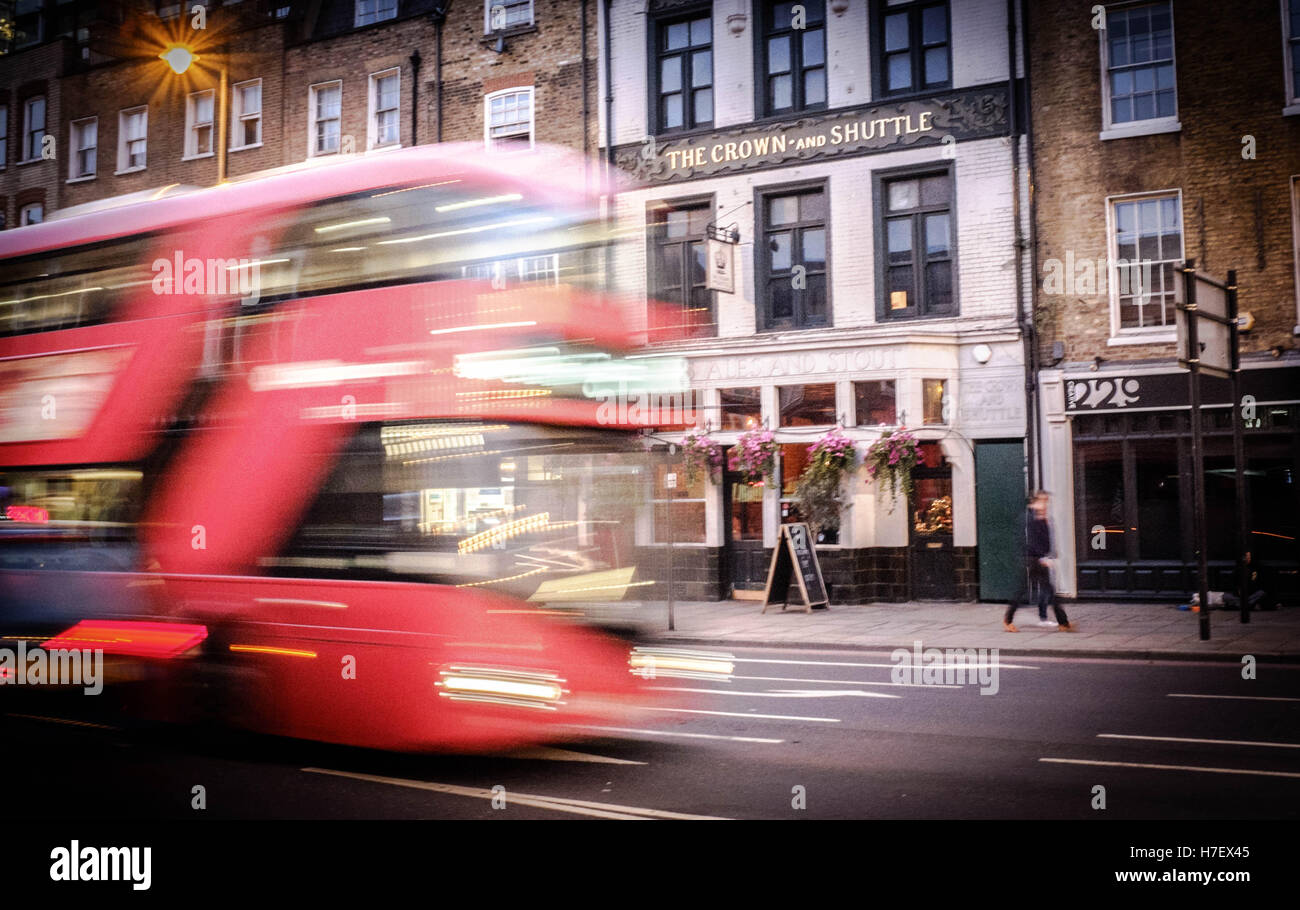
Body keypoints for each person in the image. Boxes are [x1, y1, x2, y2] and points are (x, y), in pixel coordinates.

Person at [1003, 490, 1076, 632]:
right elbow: (1030, 541)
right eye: (1043, 500)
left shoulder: (1041, 516)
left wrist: (1050, 555)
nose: (1045, 504)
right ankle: (1008, 620)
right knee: (1024, 591)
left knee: (1048, 591)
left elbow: (1045, 539)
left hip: (1039, 559)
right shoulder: (1029, 518)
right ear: (1035, 501)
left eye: (1046, 500)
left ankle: (1063, 623)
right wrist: (1042, 558)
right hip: (1031, 560)